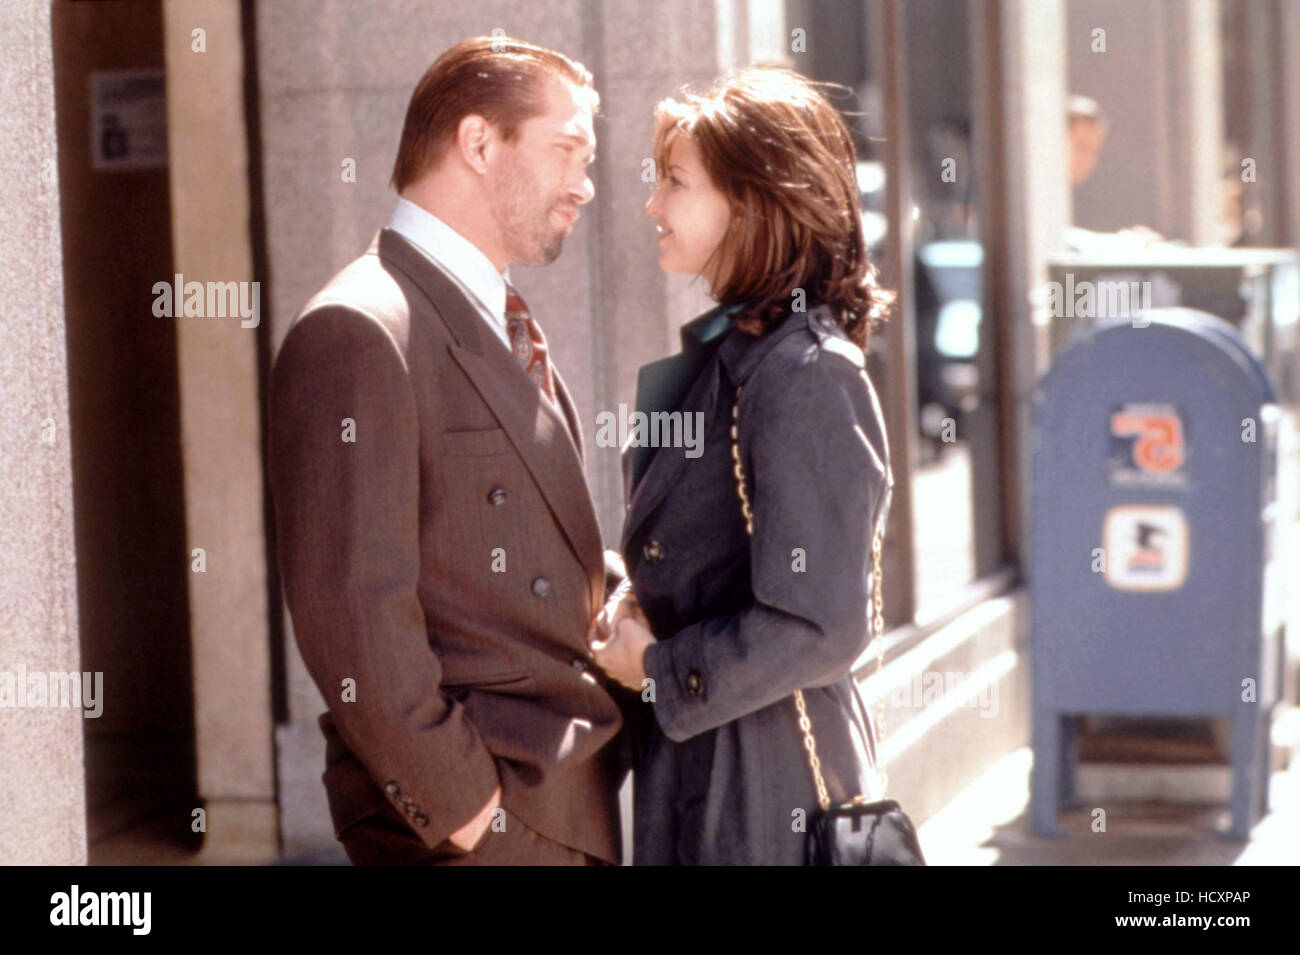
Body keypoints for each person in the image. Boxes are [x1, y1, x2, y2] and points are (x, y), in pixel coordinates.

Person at [267, 36, 630, 866]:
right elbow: (351, 610)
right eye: (566, 149)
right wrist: (466, 807)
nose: (586, 183)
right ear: (477, 143)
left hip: (561, 804)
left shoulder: (487, 310)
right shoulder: (360, 326)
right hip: (468, 832)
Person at [589, 67, 895, 865]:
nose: (652, 205)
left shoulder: (809, 374)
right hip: (707, 758)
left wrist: (657, 667)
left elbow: (821, 622)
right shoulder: (734, 358)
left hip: (769, 783)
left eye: (675, 183)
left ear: (753, 203)